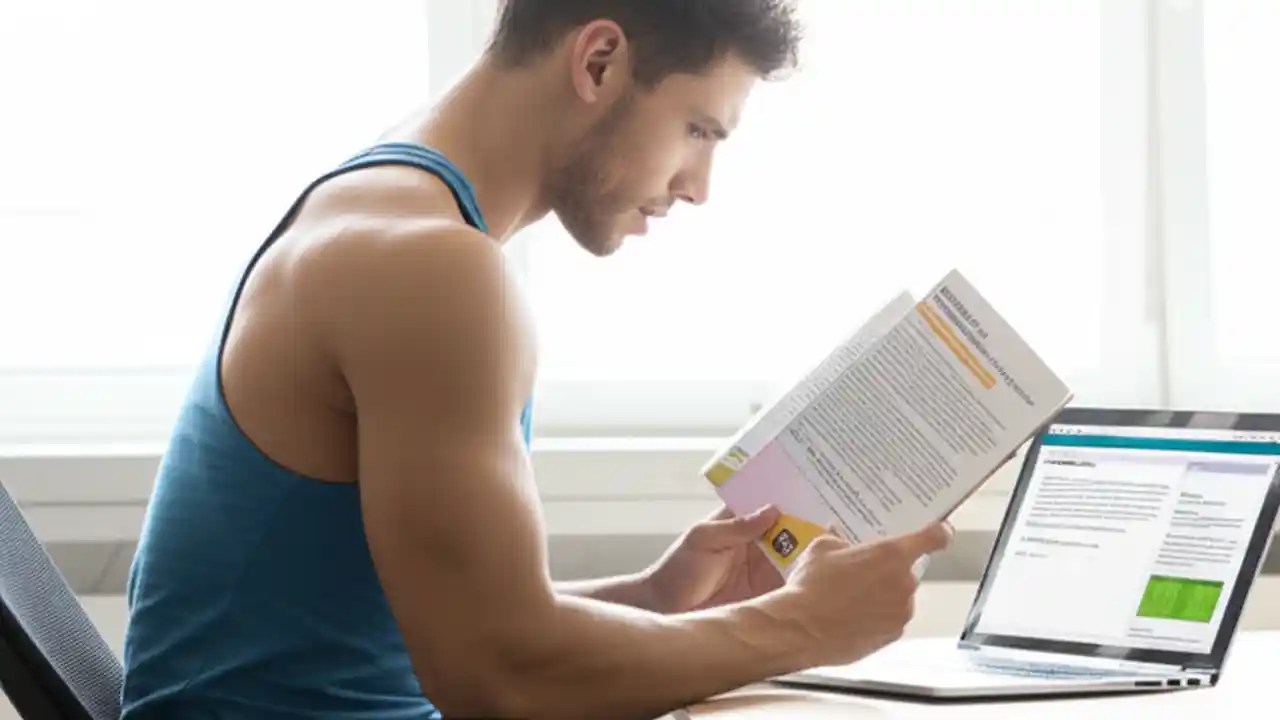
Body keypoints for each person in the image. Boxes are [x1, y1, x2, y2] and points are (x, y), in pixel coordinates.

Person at [120, 1, 952, 718]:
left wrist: (656, 602)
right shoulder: (429, 269)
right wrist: (806, 626)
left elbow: (434, 632)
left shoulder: (384, 205)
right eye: (698, 128)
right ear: (598, 60)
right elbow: (498, 680)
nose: (698, 184)